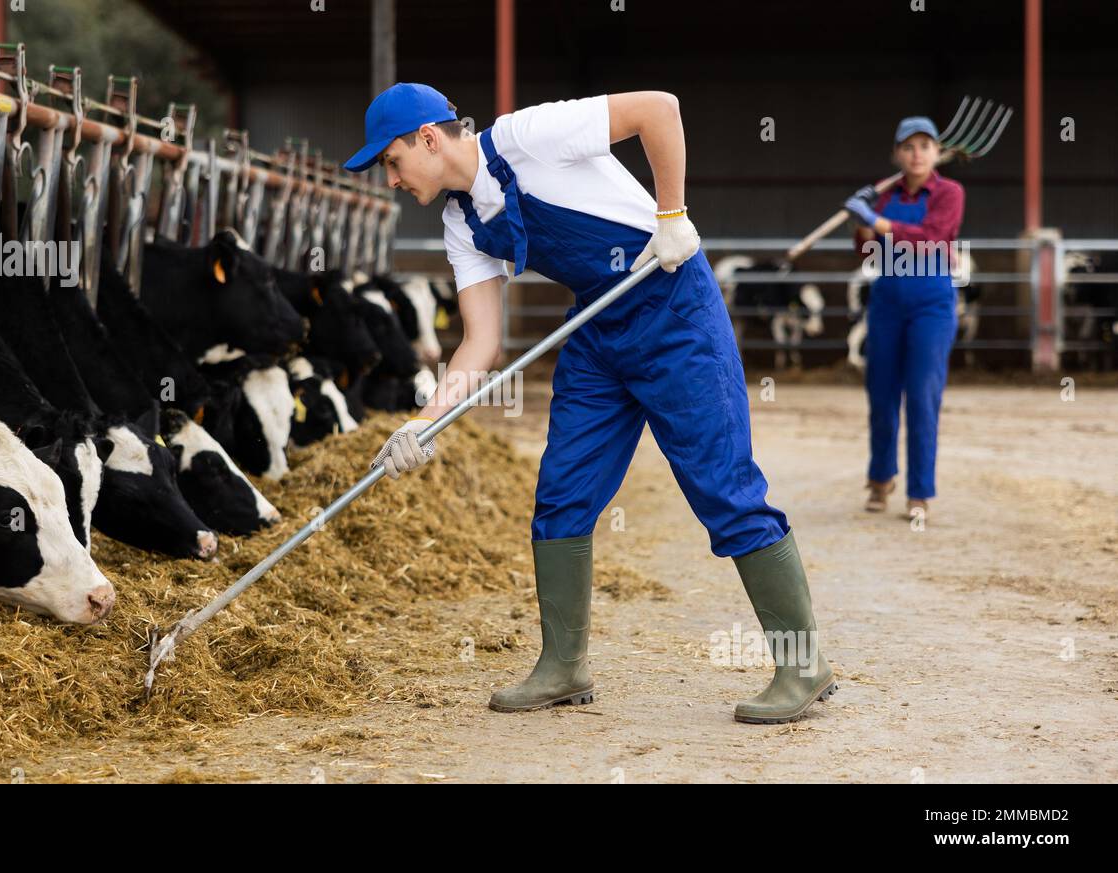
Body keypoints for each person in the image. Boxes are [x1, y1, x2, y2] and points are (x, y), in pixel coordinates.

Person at [345, 83, 835, 723]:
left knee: (723, 486)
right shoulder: (461, 224)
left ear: (428, 139)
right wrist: (425, 422)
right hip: (598, 335)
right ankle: (563, 667)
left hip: (671, 306)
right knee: (562, 492)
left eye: (390, 161)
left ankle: (803, 666)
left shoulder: (528, 137)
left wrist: (671, 216)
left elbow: (659, 110)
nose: (391, 180)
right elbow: (481, 343)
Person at [843, 117, 965, 520]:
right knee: (880, 393)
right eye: (908, 147)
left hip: (931, 303)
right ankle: (880, 478)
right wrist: (860, 226)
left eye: (925, 146)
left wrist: (875, 220)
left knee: (923, 396)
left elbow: (931, 238)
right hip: (887, 301)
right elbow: (866, 255)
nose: (917, 154)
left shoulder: (949, 193)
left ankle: (919, 492)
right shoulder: (882, 194)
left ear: (937, 152)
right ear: (897, 153)